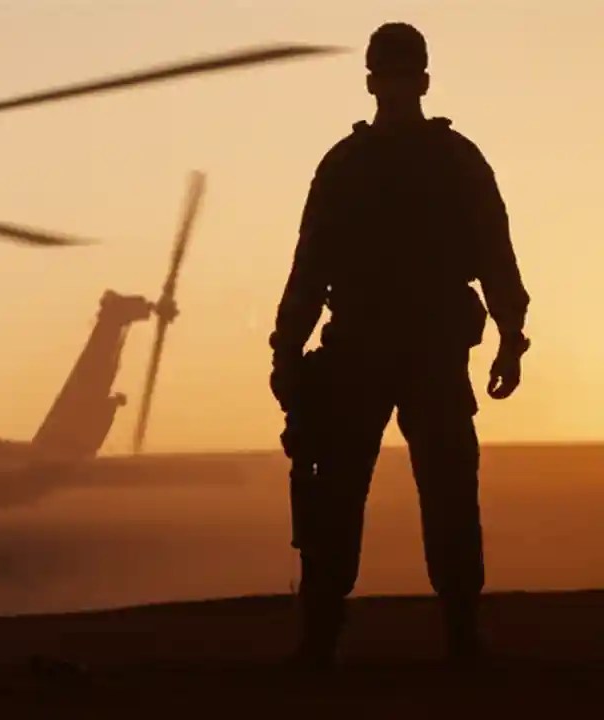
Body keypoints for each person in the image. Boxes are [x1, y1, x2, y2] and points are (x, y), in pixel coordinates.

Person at [268, 22, 531, 668]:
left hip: (381, 352)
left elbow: (308, 270)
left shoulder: (349, 165)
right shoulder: (451, 160)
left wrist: (286, 351)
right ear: (422, 80)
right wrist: (509, 335)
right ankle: (452, 637)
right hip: (413, 353)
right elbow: (495, 256)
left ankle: (329, 641)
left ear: (373, 81)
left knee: (376, 495)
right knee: (435, 492)